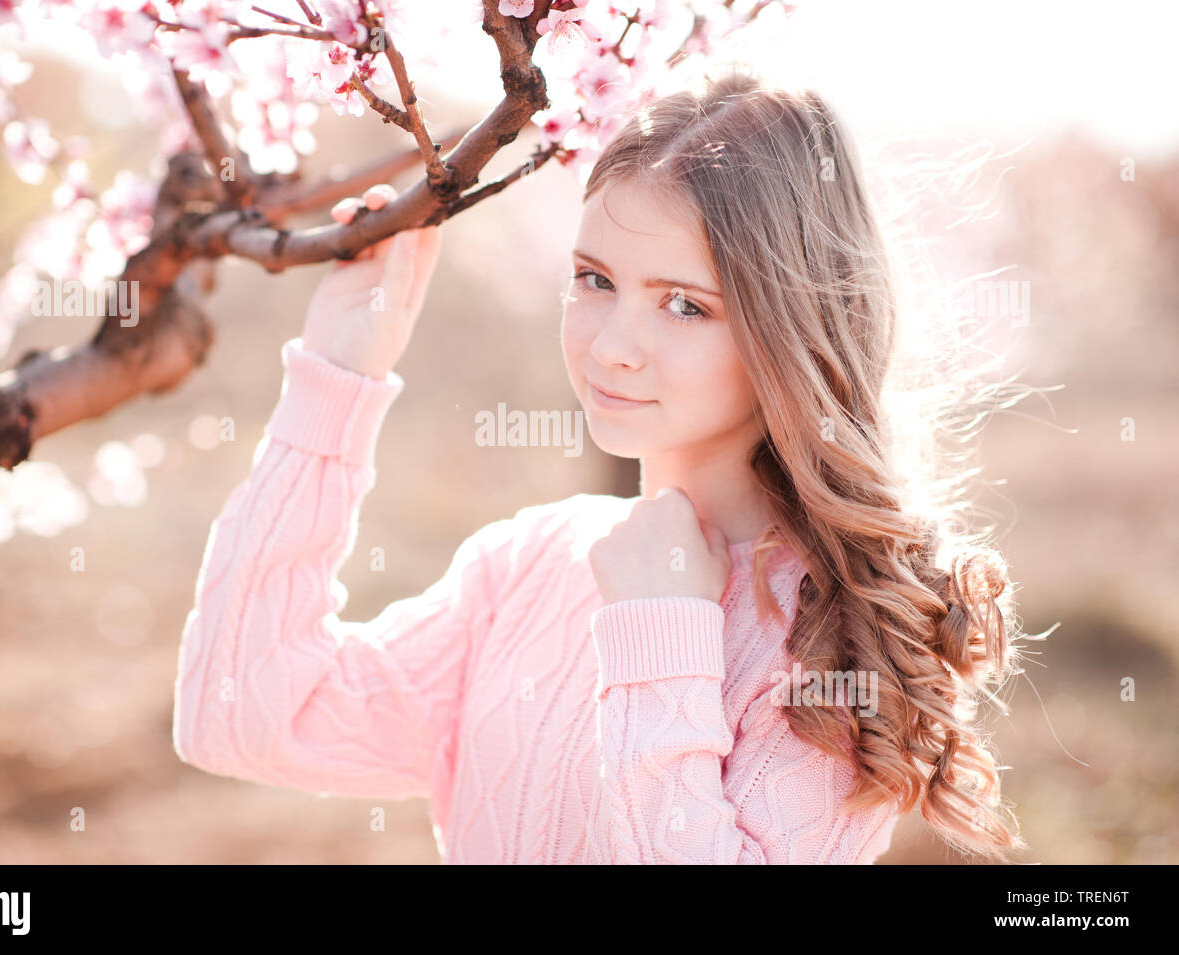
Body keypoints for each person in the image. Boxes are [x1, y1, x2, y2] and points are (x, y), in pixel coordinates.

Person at [172, 67, 1028, 864]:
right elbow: (240, 716)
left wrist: (662, 632)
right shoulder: (531, 562)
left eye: (684, 305)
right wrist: (337, 378)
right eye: (593, 280)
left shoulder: (833, 640)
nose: (613, 347)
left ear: (790, 324)